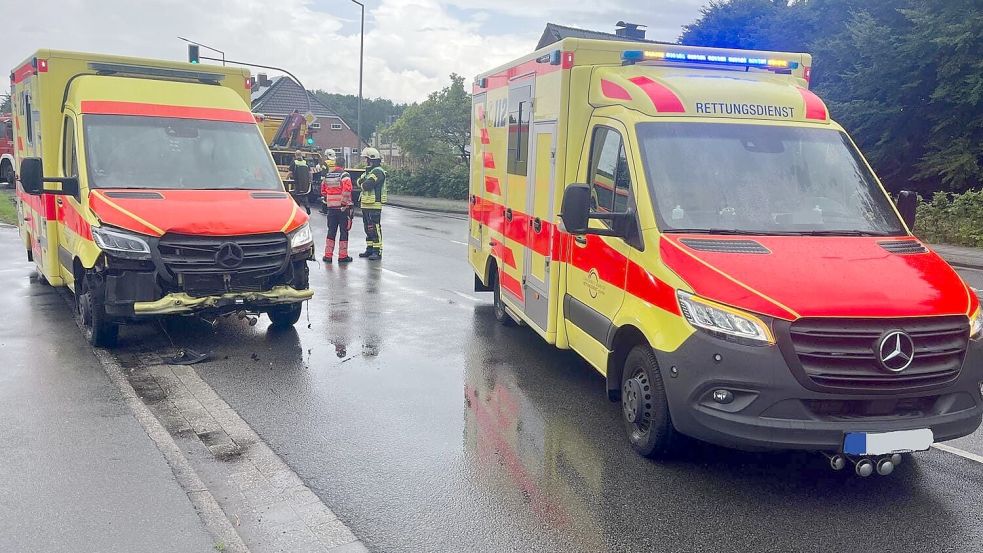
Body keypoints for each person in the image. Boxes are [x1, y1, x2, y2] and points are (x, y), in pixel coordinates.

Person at [321, 154, 354, 263]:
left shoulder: (328, 175)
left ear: (335, 164)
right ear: (344, 165)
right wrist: (344, 204)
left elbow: (323, 190)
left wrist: (328, 199)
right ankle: (342, 256)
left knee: (331, 231)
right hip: (342, 209)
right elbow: (347, 190)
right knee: (344, 231)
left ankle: (328, 255)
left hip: (331, 208)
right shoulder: (345, 175)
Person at [357, 147, 387, 261]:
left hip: (374, 204)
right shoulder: (369, 172)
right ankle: (369, 248)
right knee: (368, 228)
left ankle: (377, 251)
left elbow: (366, 185)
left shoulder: (378, 171)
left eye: (367, 159)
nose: (365, 161)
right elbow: (359, 181)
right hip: (366, 204)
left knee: (375, 228)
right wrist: (363, 182)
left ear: (372, 160)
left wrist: (363, 182)